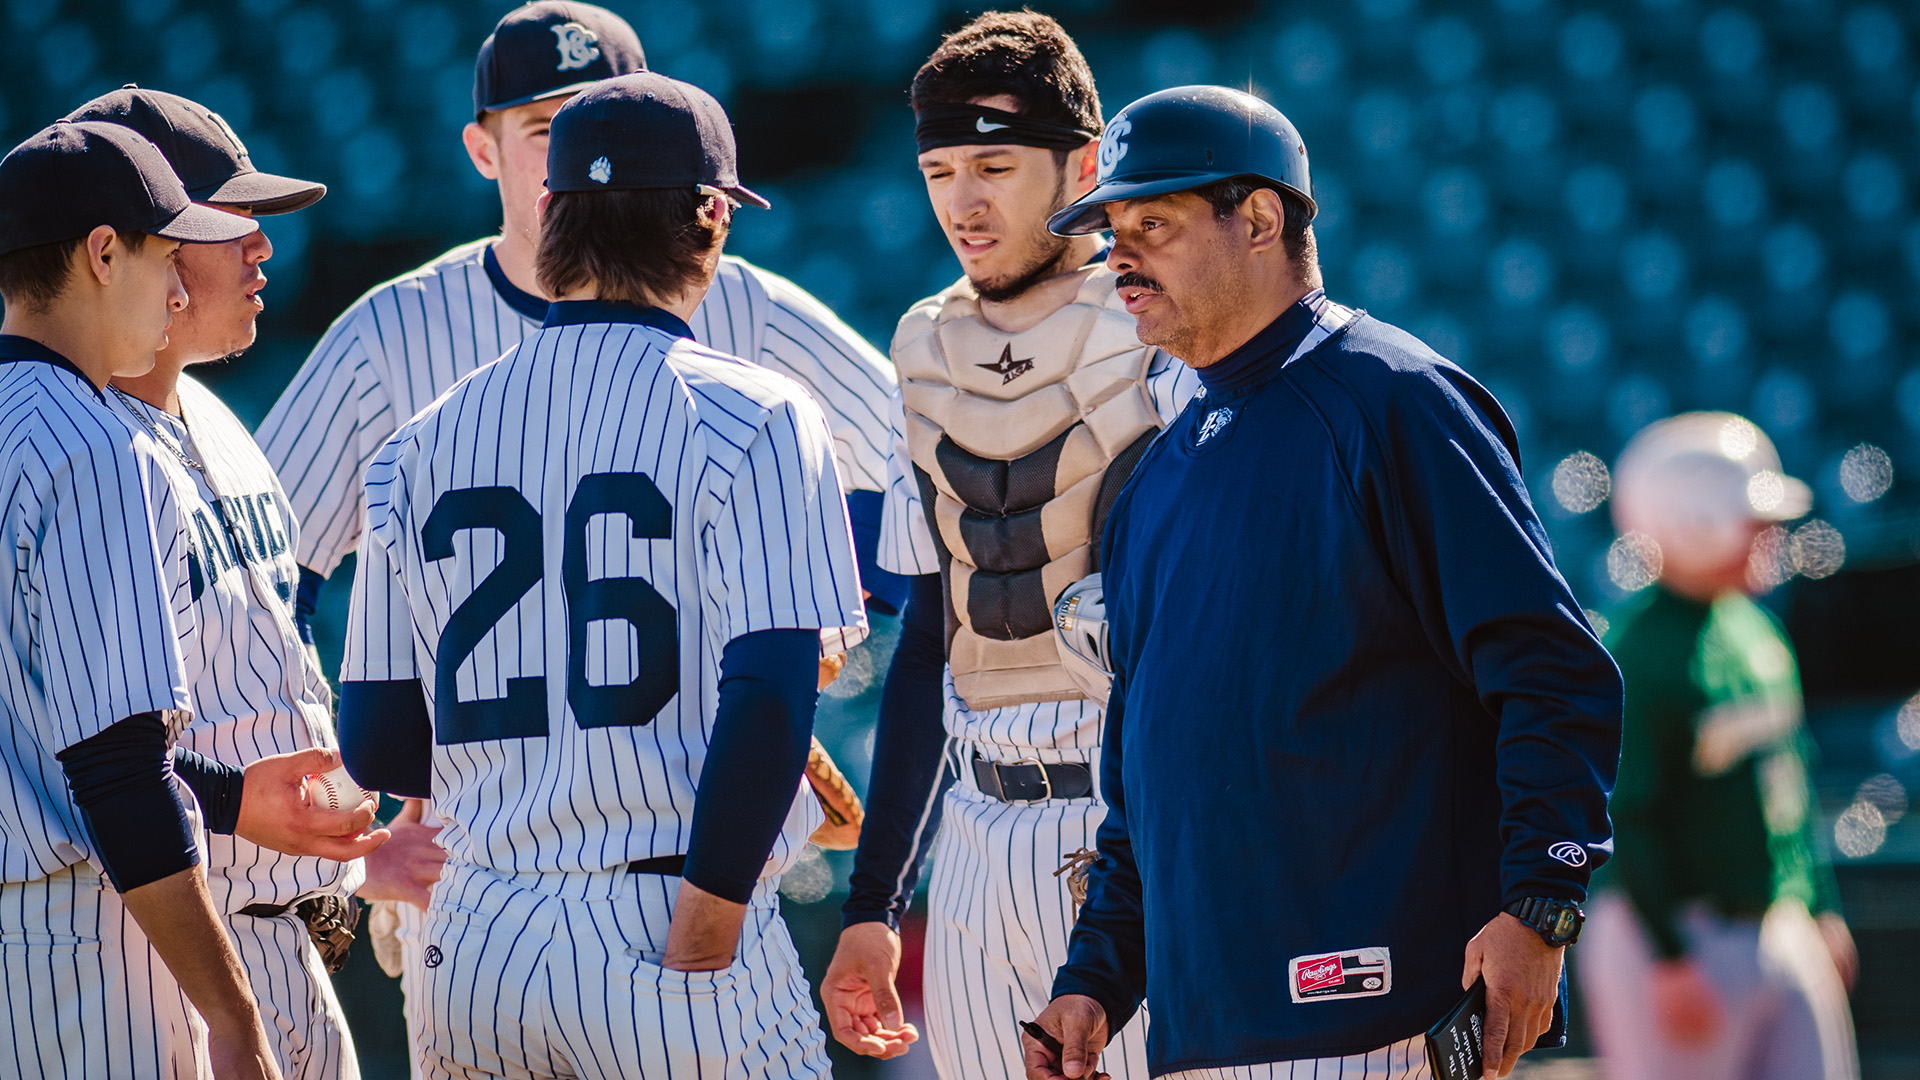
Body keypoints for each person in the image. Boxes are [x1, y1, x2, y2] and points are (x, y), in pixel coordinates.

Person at [255, 5, 897, 1072]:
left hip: (478, 932)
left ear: (555, 212)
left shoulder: (421, 439)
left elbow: (378, 738)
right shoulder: (760, 410)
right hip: (670, 911)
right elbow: (774, 695)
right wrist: (711, 916)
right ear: (709, 221)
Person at [1024, 86, 1624, 1080]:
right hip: (1203, 1022)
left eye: (1154, 224)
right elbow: (1148, 781)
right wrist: (1095, 982)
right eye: (1111, 231)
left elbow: (1549, 668)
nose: (1118, 258)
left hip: (1377, 1008)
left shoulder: (1394, 398)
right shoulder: (1153, 480)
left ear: (1261, 219)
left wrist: (1541, 906)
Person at [821, 13, 1197, 1080]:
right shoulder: (921, 342)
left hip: (1140, 824)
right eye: (941, 169)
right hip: (979, 835)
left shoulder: (1168, 327)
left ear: (1081, 163)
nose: (964, 202)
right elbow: (934, 638)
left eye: (996, 165)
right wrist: (876, 902)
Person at [67, 85, 441, 1080]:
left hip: (285, 945)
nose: (261, 247)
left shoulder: (225, 426)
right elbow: (62, 751)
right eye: (232, 222)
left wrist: (360, 856)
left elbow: (256, 695)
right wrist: (232, 809)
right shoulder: (63, 450)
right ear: (148, 245)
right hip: (143, 956)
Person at [1580, 411, 1860, 1080]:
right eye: (1754, 523)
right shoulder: (1632, 653)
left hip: (1777, 917)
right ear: (1693, 519)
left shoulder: (1757, 633)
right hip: (1680, 936)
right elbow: (1626, 821)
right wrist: (1668, 956)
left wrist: (1820, 906)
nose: (1772, 539)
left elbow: (1789, 785)